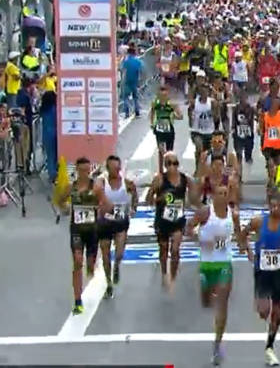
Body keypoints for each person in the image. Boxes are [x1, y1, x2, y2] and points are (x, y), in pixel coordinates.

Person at [185, 184, 243, 366]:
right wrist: (199, 241)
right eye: (219, 193)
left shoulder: (233, 215)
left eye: (226, 193)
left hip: (224, 263)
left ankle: (217, 343)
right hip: (207, 265)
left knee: (222, 303)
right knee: (206, 301)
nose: (223, 196)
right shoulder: (205, 213)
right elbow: (188, 228)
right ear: (213, 196)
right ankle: (208, 299)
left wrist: (244, 246)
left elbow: (239, 233)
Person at [239, 192, 280, 367]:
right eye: (272, 205)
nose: (275, 209)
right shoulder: (259, 222)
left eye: (279, 206)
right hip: (262, 272)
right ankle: (261, 304)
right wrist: (247, 250)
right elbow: (243, 234)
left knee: (277, 312)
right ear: (268, 205)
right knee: (264, 311)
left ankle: (270, 346)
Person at [58, 157, 113, 314]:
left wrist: (103, 210)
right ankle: (77, 301)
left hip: (92, 230)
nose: (84, 173)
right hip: (76, 230)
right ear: (77, 170)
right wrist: (66, 207)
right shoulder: (71, 187)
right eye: (81, 170)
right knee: (77, 262)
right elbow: (60, 200)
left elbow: (107, 204)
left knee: (90, 266)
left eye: (86, 170)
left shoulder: (95, 187)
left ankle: (99, 275)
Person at [147, 151, 195, 292]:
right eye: (169, 163)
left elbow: (194, 195)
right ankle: (163, 273)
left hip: (178, 220)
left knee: (175, 250)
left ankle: (172, 278)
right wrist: (160, 197)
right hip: (162, 220)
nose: (172, 167)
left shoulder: (185, 179)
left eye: (175, 163)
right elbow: (149, 200)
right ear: (165, 165)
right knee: (163, 250)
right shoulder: (159, 179)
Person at [97, 155, 137, 297]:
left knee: (119, 254)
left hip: (120, 222)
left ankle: (117, 266)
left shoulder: (126, 182)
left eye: (118, 168)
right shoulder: (102, 182)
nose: (117, 171)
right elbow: (95, 193)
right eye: (114, 168)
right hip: (104, 223)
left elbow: (134, 192)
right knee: (106, 255)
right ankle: (108, 283)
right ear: (108, 169)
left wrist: (133, 207)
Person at [121, 46, 144, 118]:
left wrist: (122, 81)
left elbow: (123, 71)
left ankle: (127, 112)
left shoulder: (126, 61)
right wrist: (140, 81)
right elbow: (141, 71)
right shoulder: (138, 61)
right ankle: (137, 111)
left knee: (125, 97)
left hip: (127, 81)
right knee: (135, 97)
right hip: (135, 81)